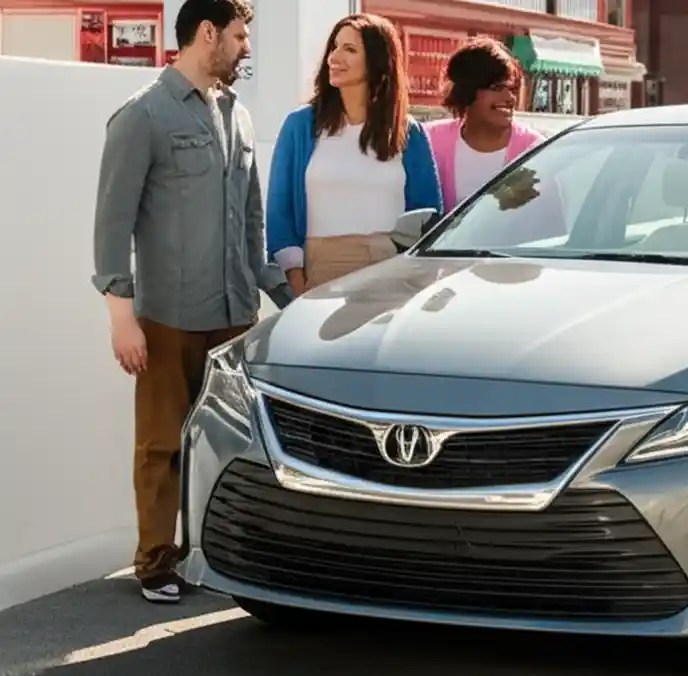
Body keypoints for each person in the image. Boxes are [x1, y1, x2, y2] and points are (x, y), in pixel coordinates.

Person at [92, 0, 291, 604]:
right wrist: (121, 317)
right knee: (161, 444)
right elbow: (111, 224)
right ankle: (155, 562)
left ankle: (217, 555)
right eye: (238, 36)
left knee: (233, 446)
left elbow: (253, 225)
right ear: (208, 34)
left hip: (235, 318)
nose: (246, 48)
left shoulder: (240, 116)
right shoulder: (142, 116)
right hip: (167, 319)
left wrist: (284, 296)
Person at [266, 13, 442, 296]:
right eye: (334, 47)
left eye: (349, 49)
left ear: (377, 62)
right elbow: (279, 208)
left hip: (392, 269)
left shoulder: (410, 132)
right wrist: (295, 277)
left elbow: (429, 215)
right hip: (322, 268)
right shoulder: (300, 126)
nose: (334, 57)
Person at [426, 37, 546, 213]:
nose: (510, 98)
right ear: (468, 90)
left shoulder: (534, 150)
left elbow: (551, 222)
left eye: (512, 89)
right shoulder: (430, 141)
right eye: (497, 88)